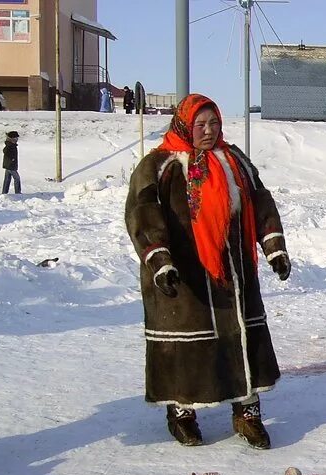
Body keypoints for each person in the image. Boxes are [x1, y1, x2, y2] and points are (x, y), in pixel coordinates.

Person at [124, 93, 291, 449]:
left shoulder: (235, 161)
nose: (209, 131)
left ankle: (247, 413)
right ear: (184, 125)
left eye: (214, 123)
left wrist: (273, 246)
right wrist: (159, 260)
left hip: (234, 271)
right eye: (200, 124)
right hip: (182, 277)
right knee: (187, 346)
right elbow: (142, 213)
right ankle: (181, 413)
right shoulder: (159, 165)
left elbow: (261, 201)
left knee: (241, 338)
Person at [1, 130, 20, 195]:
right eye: (15, 138)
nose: (17, 139)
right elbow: (5, 151)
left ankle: (4, 192)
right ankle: (18, 193)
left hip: (9, 165)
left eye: (17, 138)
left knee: (7, 179)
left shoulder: (12, 145)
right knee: (17, 178)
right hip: (10, 165)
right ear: (12, 138)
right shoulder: (10, 145)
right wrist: (11, 159)